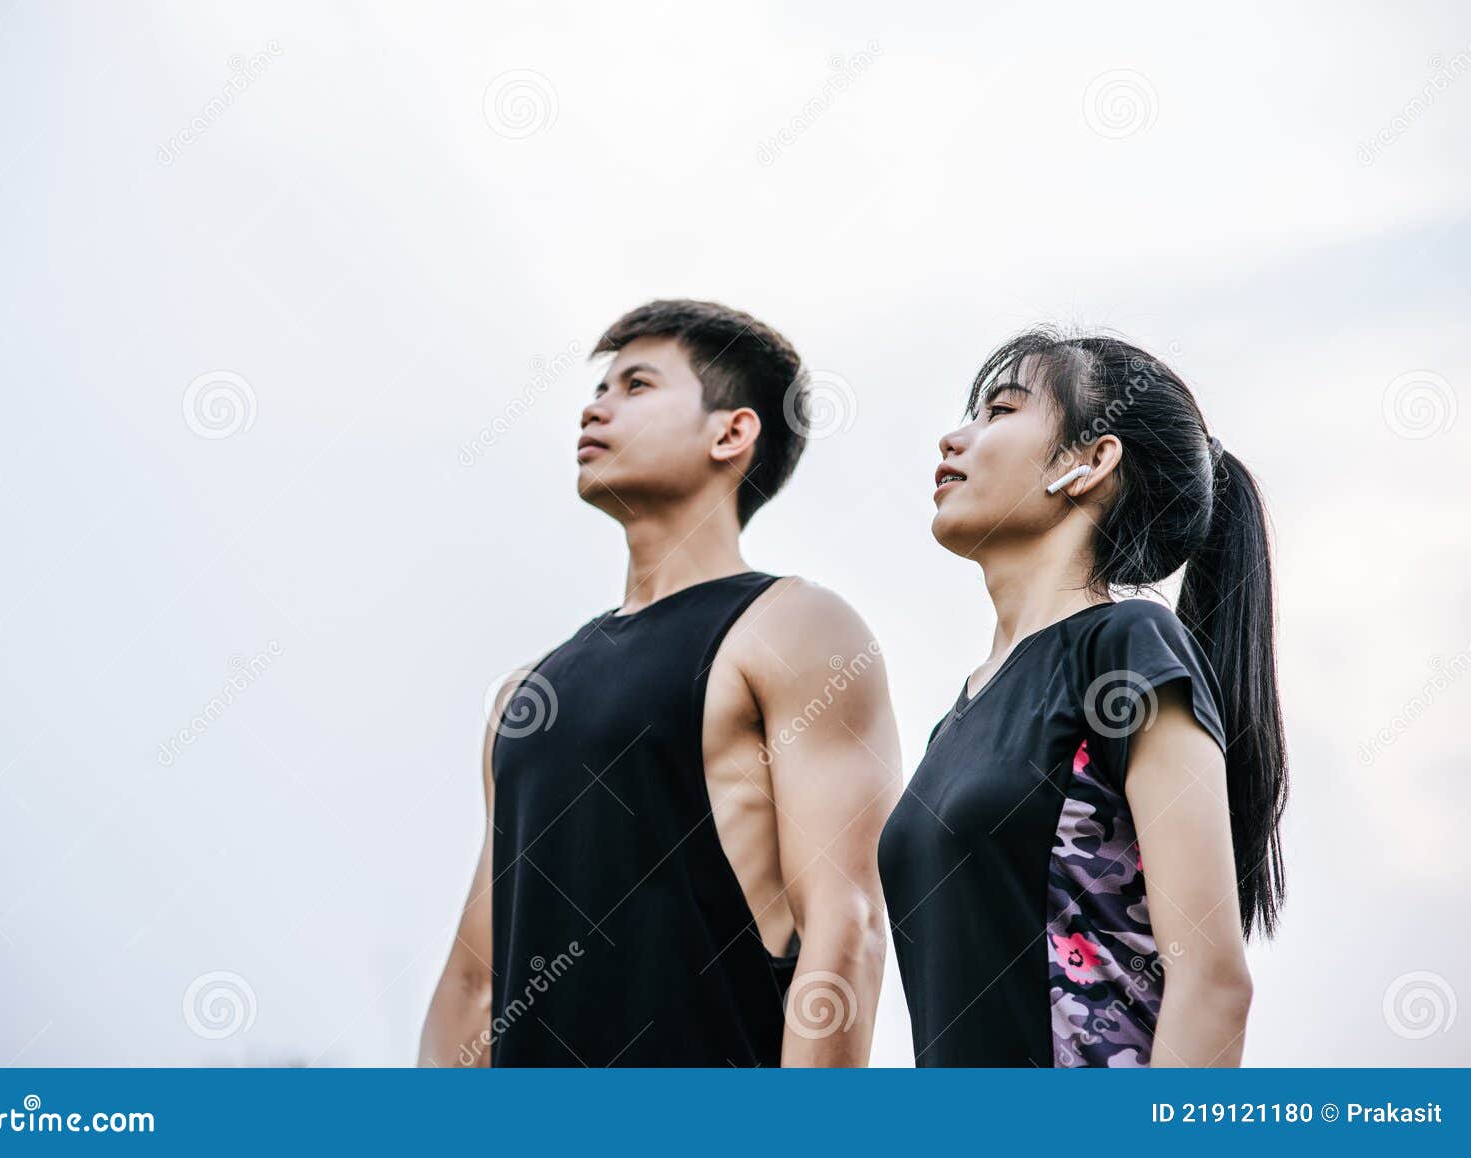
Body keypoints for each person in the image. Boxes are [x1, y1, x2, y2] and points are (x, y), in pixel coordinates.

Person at [420, 300, 901, 1066]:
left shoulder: (796, 627)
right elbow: (475, 980)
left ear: (731, 433)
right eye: (599, 388)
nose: (595, 407)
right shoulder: (524, 694)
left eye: (636, 385)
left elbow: (848, 926)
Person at [878, 328, 1288, 1067]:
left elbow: (1213, 984)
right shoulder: (955, 719)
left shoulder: (1128, 648)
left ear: (1090, 463)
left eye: (1001, 411)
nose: (954, 438)